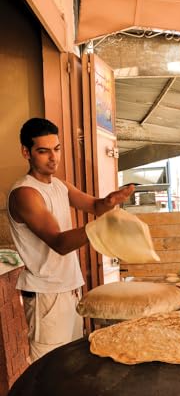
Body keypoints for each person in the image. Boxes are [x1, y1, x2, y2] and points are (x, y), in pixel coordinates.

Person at [7, 117, 135, 362]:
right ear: (26, 152)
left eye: (56, 149)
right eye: (43, 151)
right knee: (49, 370)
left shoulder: (59, 185)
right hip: (47, 296)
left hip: (68, 290)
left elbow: (95, 206)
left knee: (70, 366)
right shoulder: (25, 193)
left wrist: (111, 201)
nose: (53, 158)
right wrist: (101, 228)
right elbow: (59, 243)